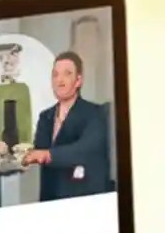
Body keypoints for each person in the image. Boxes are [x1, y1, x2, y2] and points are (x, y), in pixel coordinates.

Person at [23, 51, 111, 201]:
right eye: (55, 75)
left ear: (78, 80)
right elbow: (37, 151)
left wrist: (46, 155)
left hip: (83, 202)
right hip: (50, 201)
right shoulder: (45, 116)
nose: (60, 80)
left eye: (67, 74)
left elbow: (84, 150)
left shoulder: (95, 113)